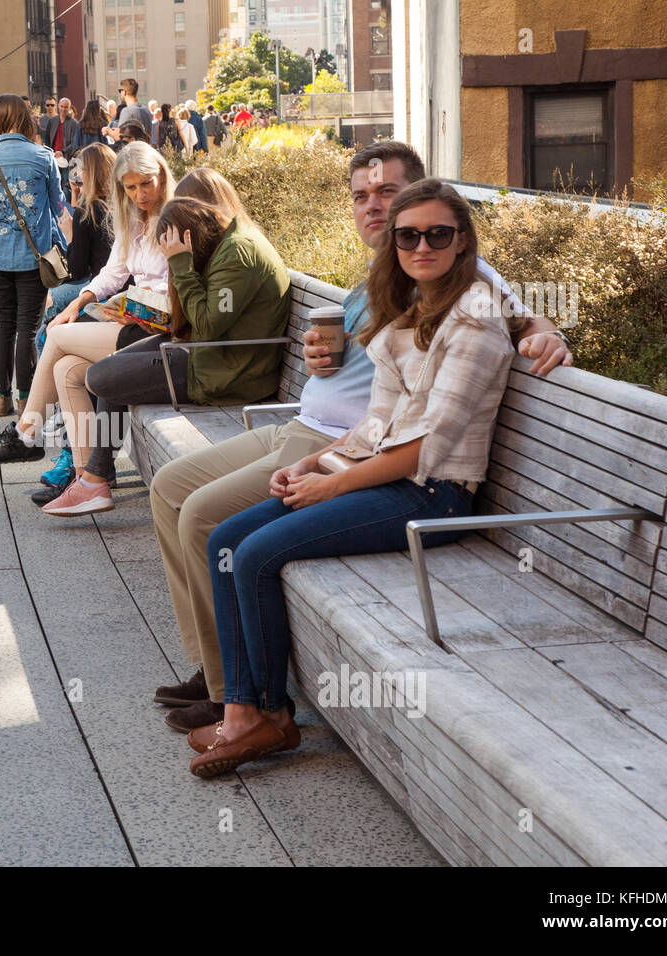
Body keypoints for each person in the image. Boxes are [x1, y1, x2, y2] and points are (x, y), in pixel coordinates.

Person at [149, 141, 574, 733]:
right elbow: (385, 388)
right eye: (362, 197)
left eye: (388, 194)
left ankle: (237, 697)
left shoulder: (462, 284)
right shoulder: (391, 284)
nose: (378, 211)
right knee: (176, 492)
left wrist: (546, 328)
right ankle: (222, 672)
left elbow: (510, 321)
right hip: (322, 434)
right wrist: (324, 361)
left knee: (215, 528)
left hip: (398, 471)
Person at [43, 176, 288, 517]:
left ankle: (91, 479)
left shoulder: (238, 254)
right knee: (105, 371)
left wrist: (180, 266)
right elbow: (196, 320)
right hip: (207, 353)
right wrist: (140, 312)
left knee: (102, 378)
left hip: (226, 372)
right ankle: (93, 481)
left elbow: (208, 324)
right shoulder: (226, 245)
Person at [0, 142, 175, 491]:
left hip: (160, 334)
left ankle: (27, 432)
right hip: (136, 322)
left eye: (147, 183)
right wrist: (78, 303)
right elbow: (112, 273)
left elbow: (177, 292)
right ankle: (87, 478)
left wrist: (132, 304)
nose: (140, 194)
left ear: (162, 176)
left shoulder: (174, 218)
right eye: (130, 187)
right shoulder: (132, 220)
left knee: (57, 336)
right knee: (66, 369)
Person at [29, 143, 118, 501]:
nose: (75, 177)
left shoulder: (86, 212)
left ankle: (54, 442)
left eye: (78, 172)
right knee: (66, 358)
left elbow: (78, 270)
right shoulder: (116, 208)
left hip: (105, 301)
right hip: (107, 296)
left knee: (46, 337)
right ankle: (77, 457)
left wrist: (68, 235)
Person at [0, 94, 66, 418]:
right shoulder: (42, 156)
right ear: (26, 118)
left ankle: (1, 399)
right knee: (28, 327)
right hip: (33, 256)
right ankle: (26, 399)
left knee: (3, 326)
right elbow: (57, 204)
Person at [47, 97, 79, 195]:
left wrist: (62, 151)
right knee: (53, 183)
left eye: (66, 107)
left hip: (66, 158)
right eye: (61, 106)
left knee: (66, 184)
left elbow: (74, 142)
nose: (63, 109)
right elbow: (48, 138)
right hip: (53, 157)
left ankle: (65, 207)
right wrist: (50, 152)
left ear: (69, 108)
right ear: (58, 107)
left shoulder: (73, 123)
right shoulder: (52, 121)